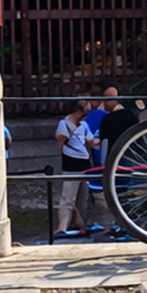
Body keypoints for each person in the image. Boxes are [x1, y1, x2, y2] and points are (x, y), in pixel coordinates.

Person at [54, 100, 98, 237]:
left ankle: (80, 223)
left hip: (84, 162)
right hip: (71, 162)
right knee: (68, 196)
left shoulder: (84, 124)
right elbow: (60, 141)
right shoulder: (63, 124)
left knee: (82, 197)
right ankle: (63, 226)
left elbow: (90, 140)